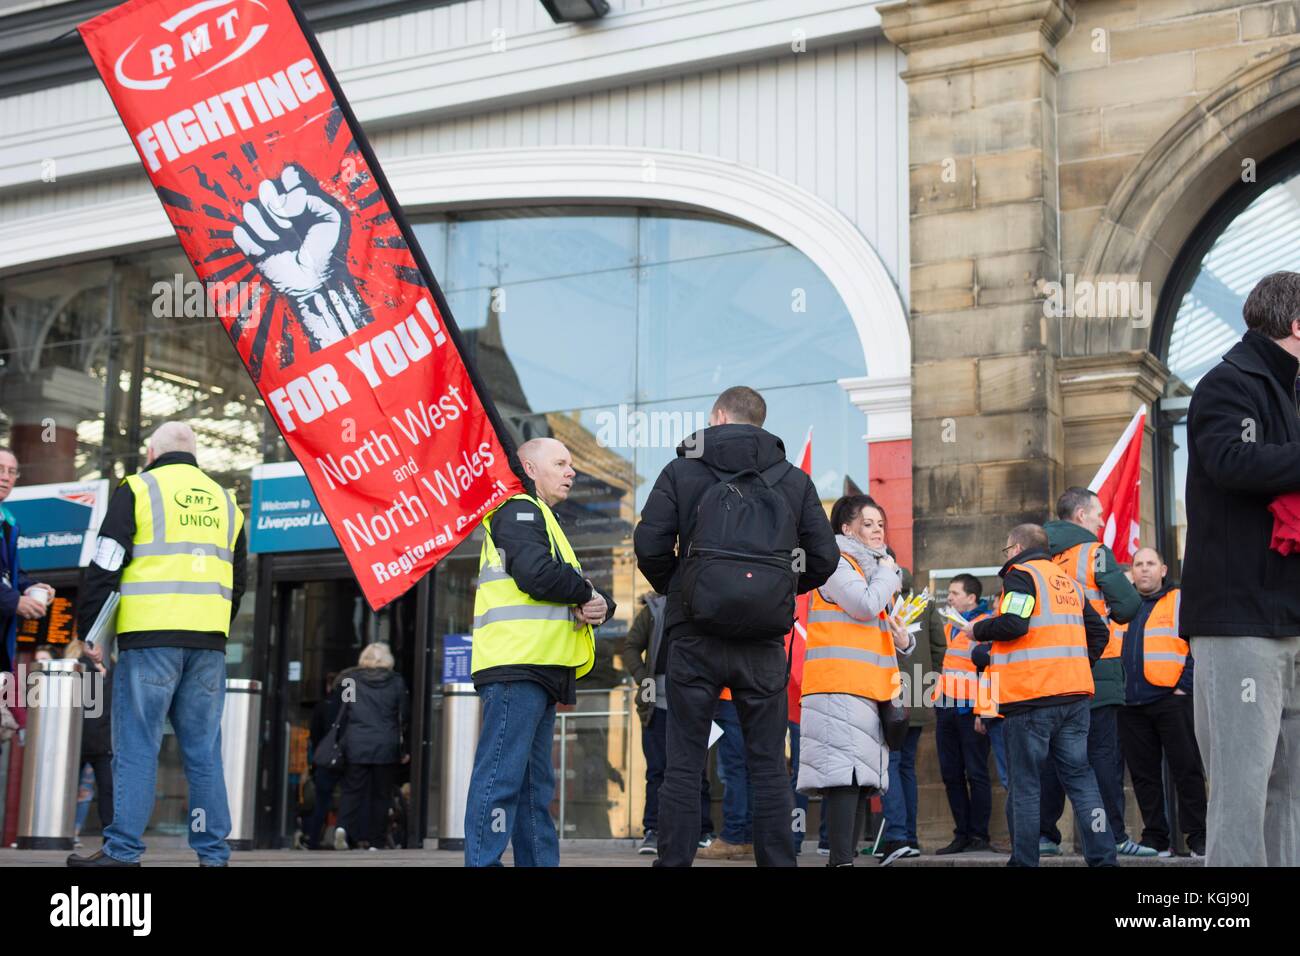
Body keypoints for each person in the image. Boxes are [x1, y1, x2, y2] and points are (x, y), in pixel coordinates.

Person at [635, 385, 838, 867]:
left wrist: (682, 588)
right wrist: (780, 590)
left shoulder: (683, 468)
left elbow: (649, 544)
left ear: (719, 416)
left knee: (683, 764)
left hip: (694, 637)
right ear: (760, 423)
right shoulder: (792, 479)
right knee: (768, 763)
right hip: (763, 642)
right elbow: (825, 556)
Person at [67, 422, 246, 867]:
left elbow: (105, 565)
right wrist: (213, 627)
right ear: (195, 452)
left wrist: (89, 630)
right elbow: (239, 582)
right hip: (208, 645)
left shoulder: (138, 489)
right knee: (203, 752)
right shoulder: (227, 503)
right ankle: (213, 855)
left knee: (137, 745)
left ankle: (123, 852)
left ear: (150, 451)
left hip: (149, 641)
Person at [1182, 272, 1300, 867]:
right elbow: (1232, 461)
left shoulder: (1294, 393)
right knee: (1241, 794)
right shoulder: (1227, 383)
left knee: (1293, 797)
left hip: (1291, 619)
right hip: (1239, 625)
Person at [464, 437, 615, 867]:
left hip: (538, 667)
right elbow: (535, 574)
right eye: (561, 463)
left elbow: (565, 584)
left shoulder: (542, 518)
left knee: (532, 788)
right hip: (517, 666)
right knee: (501, 778)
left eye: (572, 464)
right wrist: (587, 591)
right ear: (529, 468)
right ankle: (483, 863)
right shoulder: (518, 509)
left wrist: (599, 602)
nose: (572, 472)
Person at [958, 523, 1116, 867]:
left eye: (1006, 550)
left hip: (1031, 701)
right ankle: (1105, 860)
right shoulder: (1068, 583)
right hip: (1074, 698)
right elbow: (1099, 634)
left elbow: (1014, 624)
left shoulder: (1021, 574)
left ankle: (1025, 862)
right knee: (1082, 782)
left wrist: (977, 630)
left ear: (1015, 548)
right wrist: (1072, 665)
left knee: (1026, 786)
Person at [795, 495, 907, 867]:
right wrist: (890, 572)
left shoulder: (868, 569)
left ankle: (844, 860)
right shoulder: (835, 563)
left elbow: (872, 624)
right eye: (869, 523)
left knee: (861, 782)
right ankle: (840, 861)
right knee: (844, 779)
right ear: (846, 529)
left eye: (881, 524)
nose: (878, 531)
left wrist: (903, 638)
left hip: (865, 689)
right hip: (838, 688)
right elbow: (863, 605)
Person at [1040, 486, 1143, 857]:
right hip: (1098, 668)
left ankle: (1045, 836)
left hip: (1052, 672)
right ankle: (1112, 836)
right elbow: (1129, 605)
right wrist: (1108, 615)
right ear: (1081, 515)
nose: (1102, 519)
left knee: (1054, 756)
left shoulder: (1038, 556)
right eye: (1097, 513)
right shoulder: (1094, 553)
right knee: (1102, 757)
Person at [1113, 547, 1206, 858]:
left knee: (1187, 769)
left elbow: (1197, 641)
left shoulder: (1179, 599)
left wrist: (1185, 685)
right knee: (1144, 775)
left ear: (1163, 569)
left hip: (1170, 699)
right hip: (1130, 704)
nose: (1144, 570)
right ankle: (1155, 838)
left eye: (1150, 564)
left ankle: (1198, 837)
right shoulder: (1123, 605)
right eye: (1138, 564)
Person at [620, 592, 714, 856]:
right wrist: (644, 678)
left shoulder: (704, 602)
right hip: (657, 703)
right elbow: (630, 647)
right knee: (658, 770)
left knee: (698, 770)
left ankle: (702, 830)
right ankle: (654, 830)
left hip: (695, 700)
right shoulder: (652, 609)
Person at [931, 573, 994, 855]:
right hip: (946, 710)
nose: (950, 597)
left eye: (955, 593)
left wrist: (984, 711)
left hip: (971, 711)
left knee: (977, 773)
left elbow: (991, 671)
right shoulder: (948, 628)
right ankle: (962, 834)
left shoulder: (986, 625)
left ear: (972, 598)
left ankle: (979, 835)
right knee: (951, 774)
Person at [333, 642, 409, 851]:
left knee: (351, 791)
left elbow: (343, 711)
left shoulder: (351, 680)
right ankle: (376, 841)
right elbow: (404, 714)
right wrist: (404, 747)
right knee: (381, 795)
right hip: (385, 743)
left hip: (356, 742)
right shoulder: (396, 682)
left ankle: (342, 828)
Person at [874, 558, 923, 862]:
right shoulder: (920, 604)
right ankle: (909, 837)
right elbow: (937, 649)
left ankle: (897, 837)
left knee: (891, 767)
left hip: (895, 696)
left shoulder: (882, 606)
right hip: (918, 693)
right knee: (904, 768)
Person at [0, 446, 55, 674]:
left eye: (12, 472)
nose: (6, 477)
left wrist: (30, 587)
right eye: (0, 469)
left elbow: (10, 574)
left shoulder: (9, 522)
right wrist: (15, 601)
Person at [66, 638, 113, 841]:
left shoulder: (73, 668)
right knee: (108, 791)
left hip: (74, 738)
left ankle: (61, 832)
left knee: (67, 788)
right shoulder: (111, 668)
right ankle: (109, 836)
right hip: (103, 740)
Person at [700, 688, 754, 859]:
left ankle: (732, 837)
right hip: (755, 698)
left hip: (729, 698)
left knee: (734, 771)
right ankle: (748, 838)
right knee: (748, 770)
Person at [300, 671, 343, 850]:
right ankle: (345, 834)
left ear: (328, 686)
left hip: (325, 760)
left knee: (321, 801)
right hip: (345, 759)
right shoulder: (348, 706)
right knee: (347, 800)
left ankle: (314, 838)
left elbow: (314, 735)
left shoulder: (321, 706)